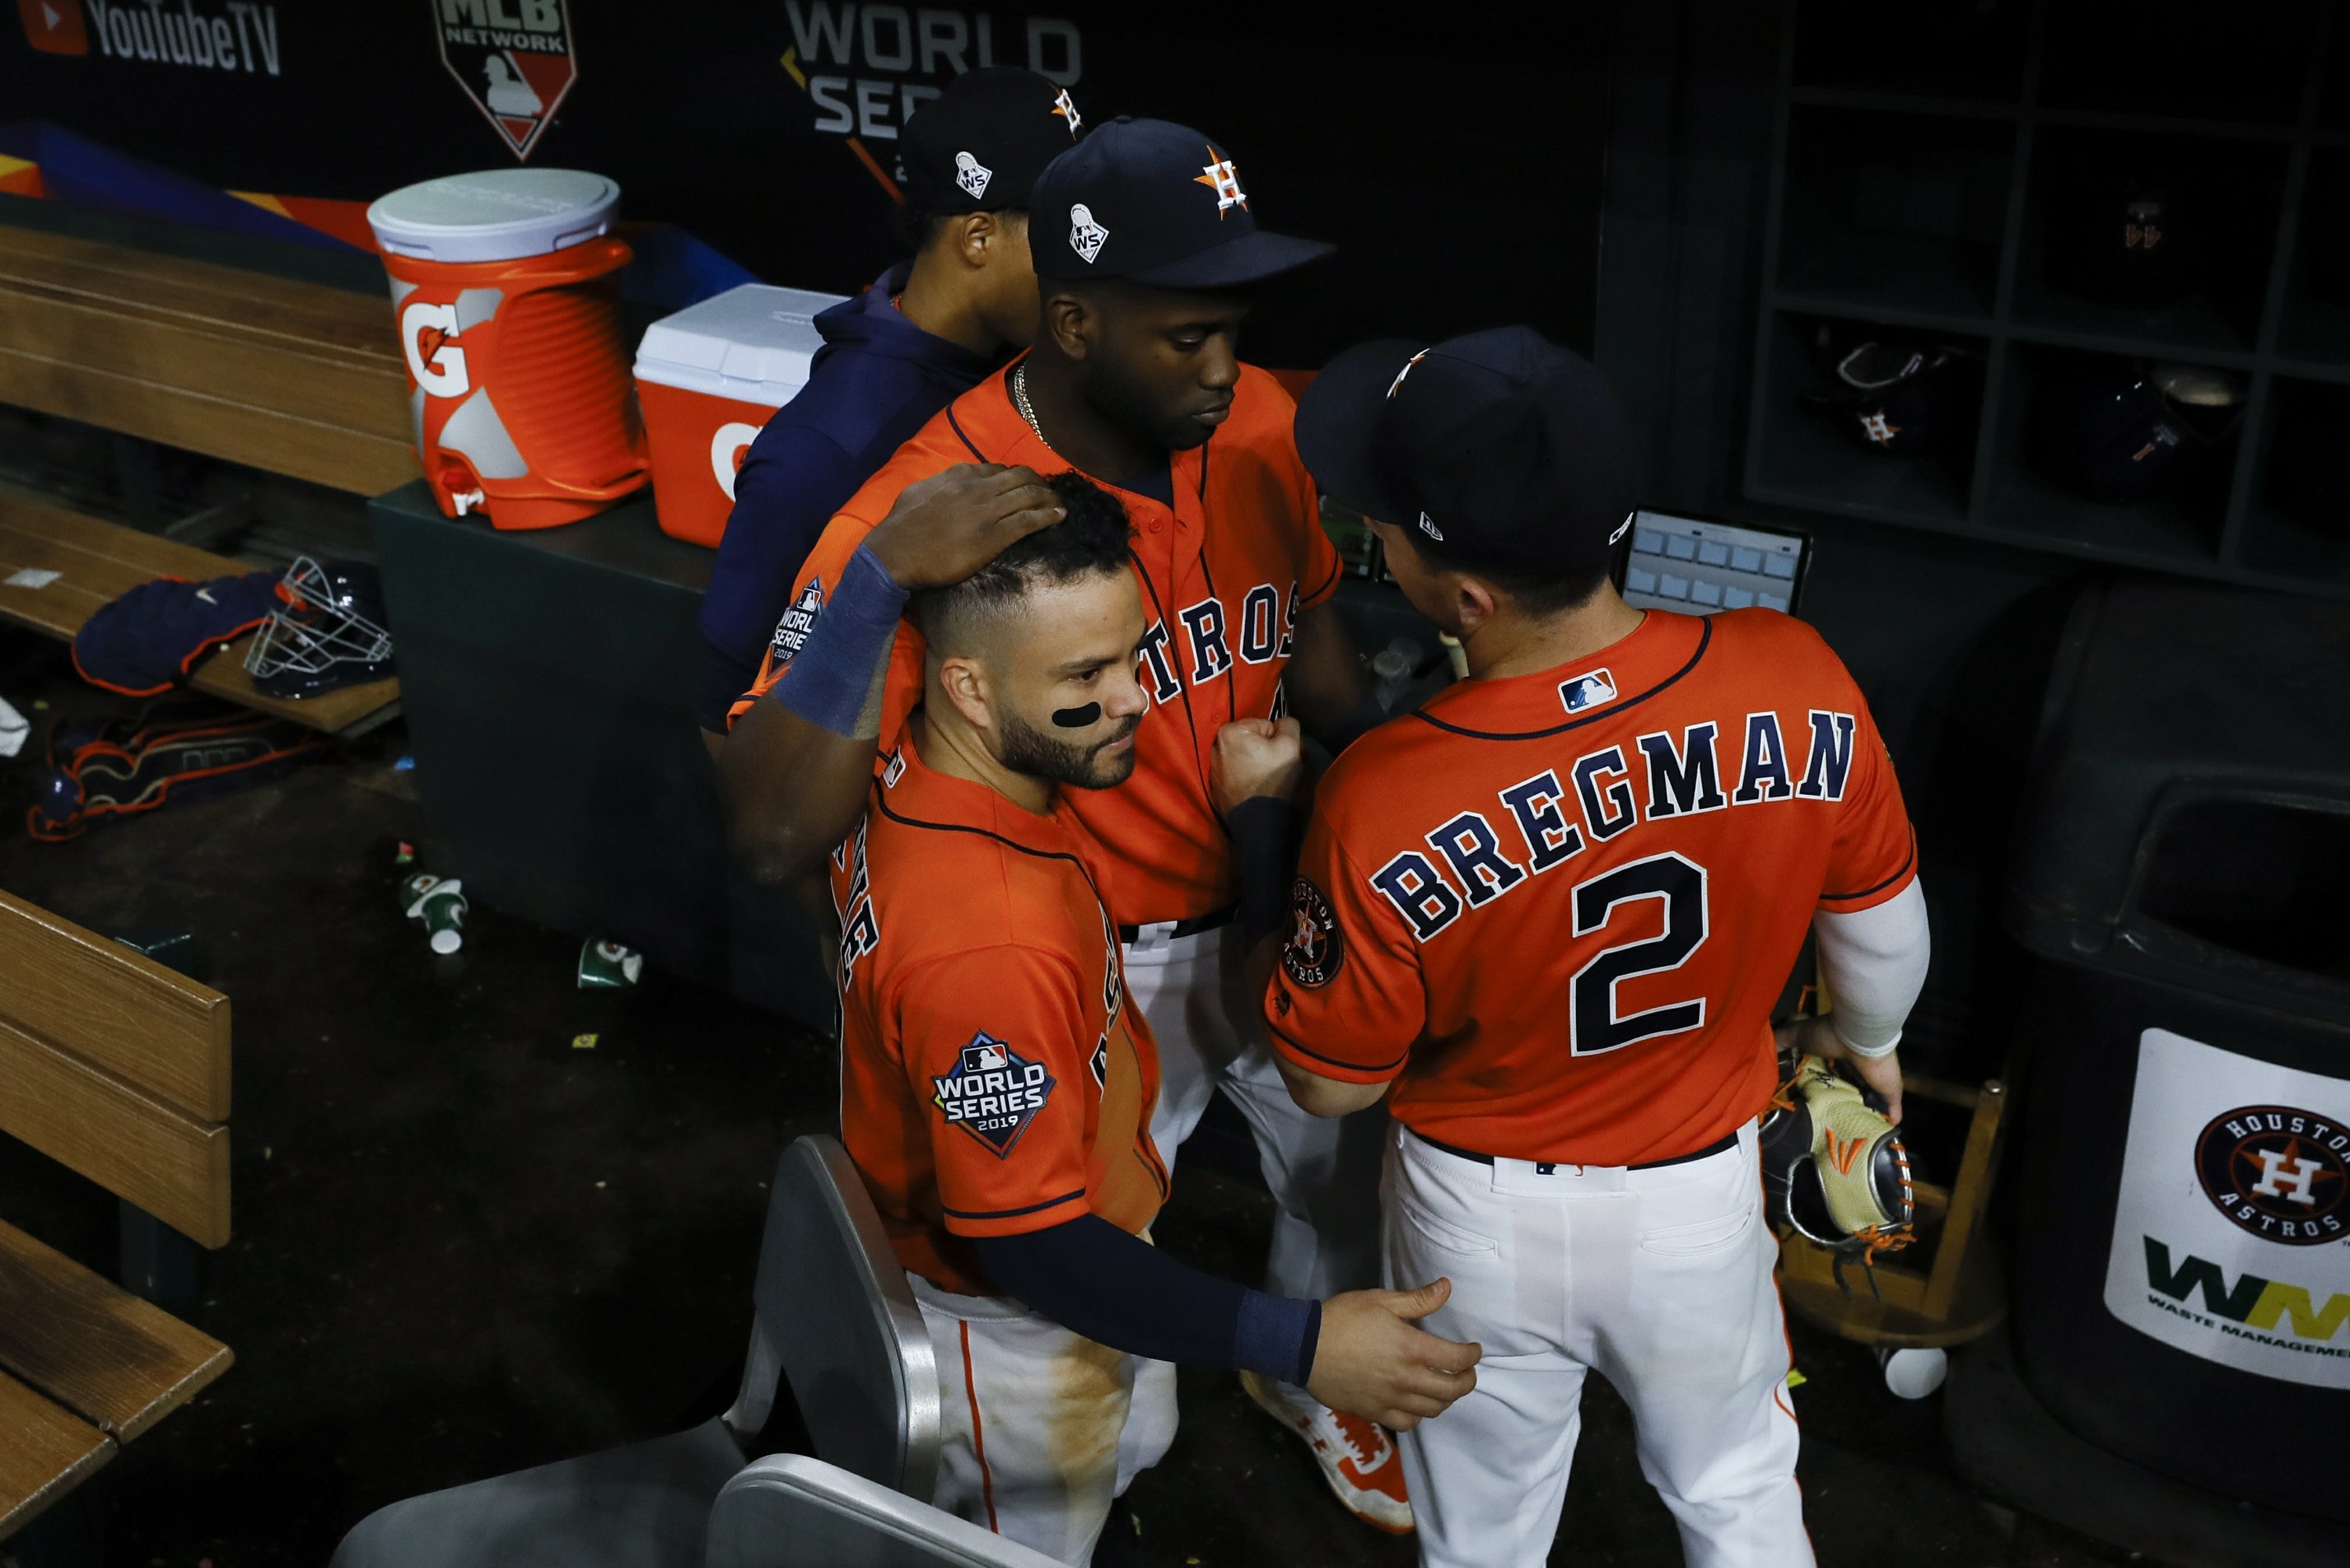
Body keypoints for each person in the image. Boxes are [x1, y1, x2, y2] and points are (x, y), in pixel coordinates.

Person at [721, 117, 1420, 1530]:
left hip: (1269, 894)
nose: (1226, 370)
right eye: (1189, 337)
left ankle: (1303, 1381)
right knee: (1072, 1281)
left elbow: (1310, 636)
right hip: (1086, 967)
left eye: (1237, 332)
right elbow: (772, 831)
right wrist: (875, 584)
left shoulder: (1256, 427)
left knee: (1345, 1188)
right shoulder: (937, 506)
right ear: (1078, 319)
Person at [1238, 327, 1930, 1568]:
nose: (1373, 531)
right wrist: (1863, 1040)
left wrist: (1257, 842)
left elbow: (1331, 1085)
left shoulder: (1386, 789)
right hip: (1697, 1203)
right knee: (1736, 1487)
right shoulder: (1793, 671)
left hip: (1476, 1220)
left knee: (1483, 1535)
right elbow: (1882, 932)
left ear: (1467, 598)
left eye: (1386, 521)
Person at [836, 470, 1478, 1566]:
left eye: (1134, 655)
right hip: (1007, 1326)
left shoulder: (932, 774)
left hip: (1070, 1252)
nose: (1137, 698)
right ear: (970, 688)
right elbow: (1029, 1245)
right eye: (1085, 674)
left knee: (1132, 1446)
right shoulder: (988, 945)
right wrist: (1304, 1342)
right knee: (1026, 1541)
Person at [692, 67, 1081, 742]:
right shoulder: (826, 448)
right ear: (978, 237)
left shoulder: (1027, 360)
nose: (1085, 262)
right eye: (1062, 236)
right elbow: (726, 718)